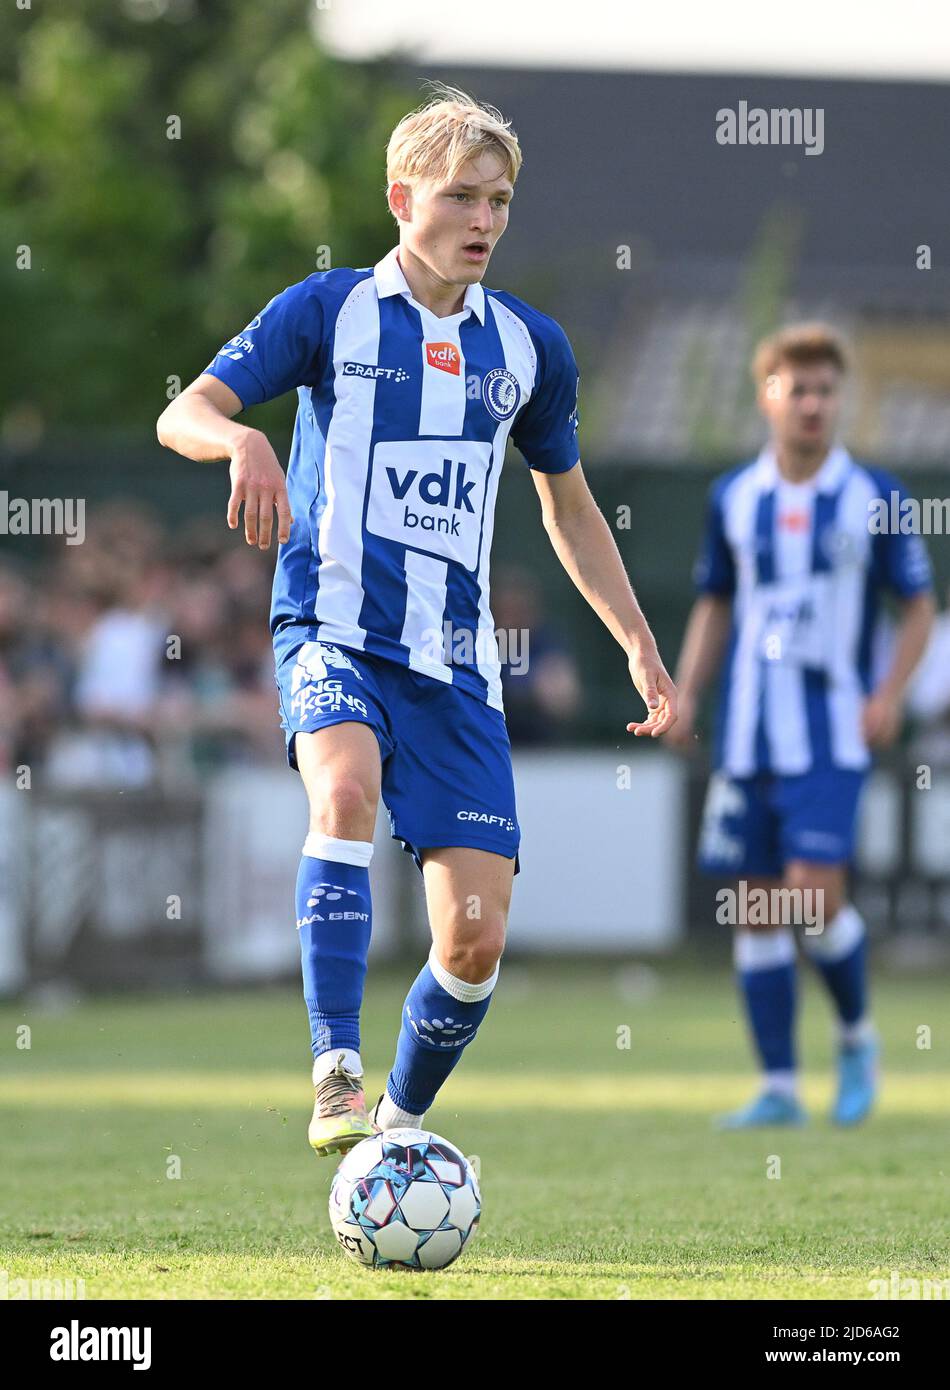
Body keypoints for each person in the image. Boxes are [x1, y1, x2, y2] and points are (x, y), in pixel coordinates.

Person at [157, 84, 677, 1157]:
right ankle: (334, 1069)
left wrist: (634, 637)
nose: (482, 220)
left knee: (475, 943)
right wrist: (243, 443)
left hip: (454, 669)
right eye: (459, 197)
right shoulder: (327, 311)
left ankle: (395, 1125)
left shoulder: (529, 348)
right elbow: (184, 410)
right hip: (332, 632)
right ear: (402, 199)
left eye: (498, 201)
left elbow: (566, 506)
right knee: (341, 790)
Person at [669, 323, 935, 1127]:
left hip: (830, 736)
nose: (814, 405)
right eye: (799, 389)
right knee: (755, 908)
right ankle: (780, 1087)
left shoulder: (877, 496)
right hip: (748, 732)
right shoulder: (733, 498)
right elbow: (715, 603)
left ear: (839, 400)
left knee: (811, 901)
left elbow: (919, 607)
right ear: (768, 397)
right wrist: (684, 692)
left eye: (826, 391)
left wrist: (888, 691)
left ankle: (856, 1037)